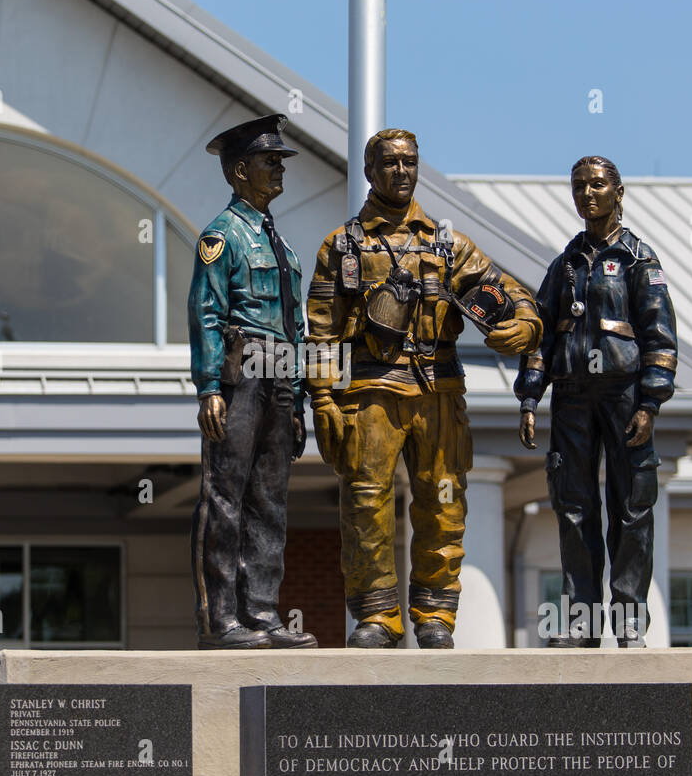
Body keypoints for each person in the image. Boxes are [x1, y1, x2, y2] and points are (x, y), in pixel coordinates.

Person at [306, 128, 542, 648]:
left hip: (439, 394)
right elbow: (321, 328)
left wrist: (524, 325)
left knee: (443, 502)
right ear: (370, 171)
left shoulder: (447, 243)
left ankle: (435, 617)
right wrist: (323, 398)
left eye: (410, 161)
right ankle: (377, 617)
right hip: (370, 396)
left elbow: (510, 295)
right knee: (366, 504)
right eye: (389, 162)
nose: (401, 171)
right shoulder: (342, 246)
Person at [514, 156, 678, 647]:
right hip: (571, 399)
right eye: (579, 185)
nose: (588, 193)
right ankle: (580, 625)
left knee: (632, 508)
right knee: (574, 508)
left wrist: (650, 403)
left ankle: (629, 624)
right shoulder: (564, 265)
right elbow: (540, 334)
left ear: (618, 192)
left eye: (598, 184)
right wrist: (529, 397)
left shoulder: (638, 261)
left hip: (624, 396)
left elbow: (661, 339)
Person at [188, 114, 316, 649]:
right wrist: (209, 387)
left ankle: (261, 613)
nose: (280, 169)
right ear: (240, 171)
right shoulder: (222, 236)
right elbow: (207, 312)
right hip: (241, 374)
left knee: (270, 500)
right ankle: (222, 620)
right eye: (270, 161)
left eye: (280, 160)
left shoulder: (281, 245)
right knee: (225, 497)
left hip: (280, 373)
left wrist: (300, 399)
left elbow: (298, 325)